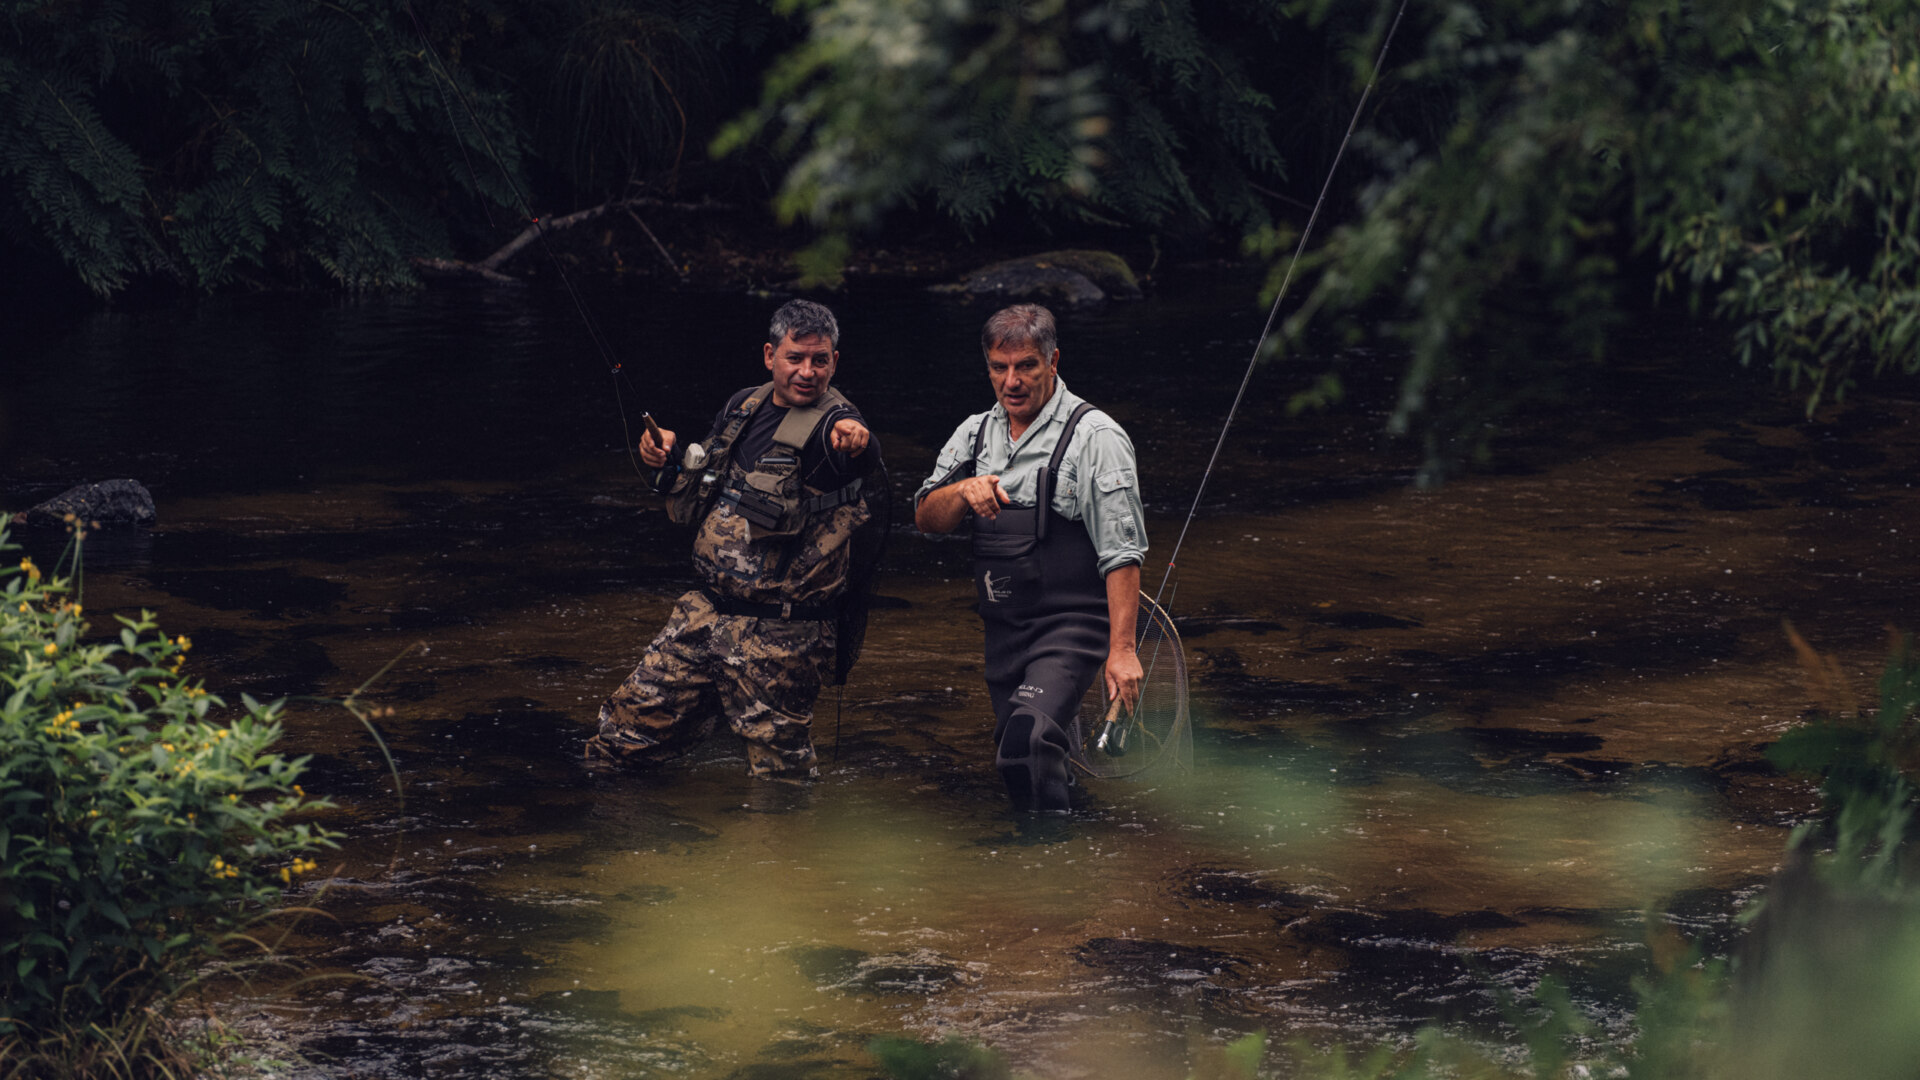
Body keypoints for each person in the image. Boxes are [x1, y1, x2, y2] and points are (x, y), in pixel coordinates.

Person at [586, 299, 880, 779]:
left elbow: (860, 451)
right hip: (704, 614)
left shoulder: (835, 426)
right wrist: (666, 457)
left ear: (834, 362)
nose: (807, 372)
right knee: (619, 741)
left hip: (780, 636)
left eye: (820, 360)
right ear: (770, 355)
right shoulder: (744, 405)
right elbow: (702, 485)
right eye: (795, 358)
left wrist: (857, 439)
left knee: (781, 781)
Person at [914, 303, 1147, 811]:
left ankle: (1045, 853)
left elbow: (1122, 551)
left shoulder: (1096, 437)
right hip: (1003, 630)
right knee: (1018, 758)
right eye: (999, 368)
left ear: (1053, 361)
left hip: (1072, 626)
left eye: (1026, 366)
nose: (1011, 382)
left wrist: (1123, 650)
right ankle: (1070, 842)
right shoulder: (975, 433)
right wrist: (963, 490)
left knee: (1027, 743)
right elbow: (927, 519)